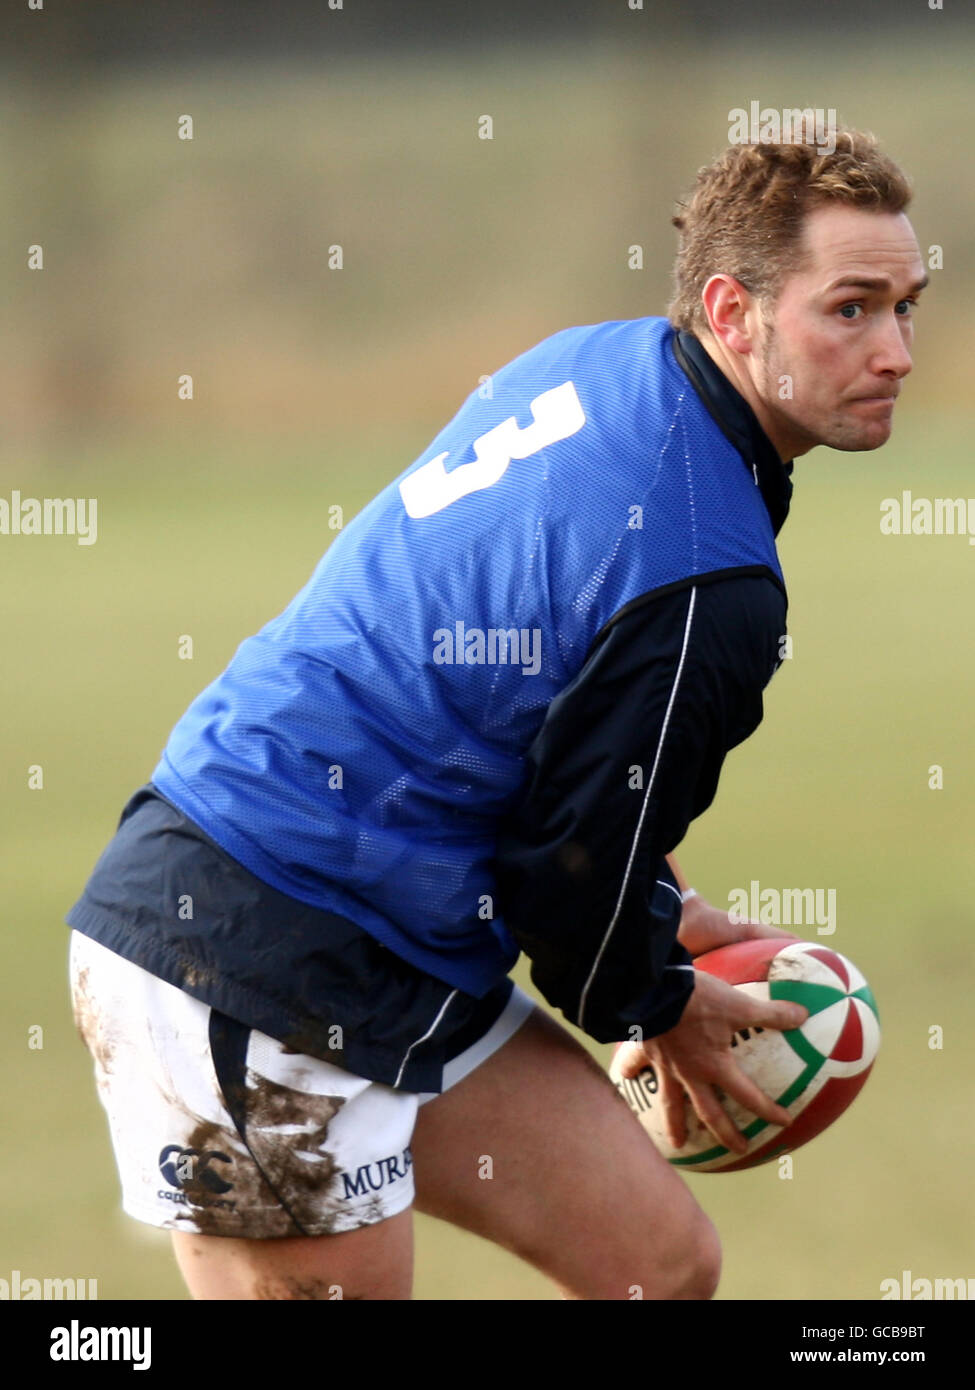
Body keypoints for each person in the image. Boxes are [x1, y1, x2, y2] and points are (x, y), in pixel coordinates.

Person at [66, 127, 925, 1300]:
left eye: (906, 308)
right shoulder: (709, 584)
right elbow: (568, 868)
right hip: (245, 937)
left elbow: (558, 755)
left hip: (396, 931)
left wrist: (653, 909)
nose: (897, 351)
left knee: (655, 1268)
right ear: (733, 312)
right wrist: (654, 999)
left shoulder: (604, 360)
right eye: (853, 309)